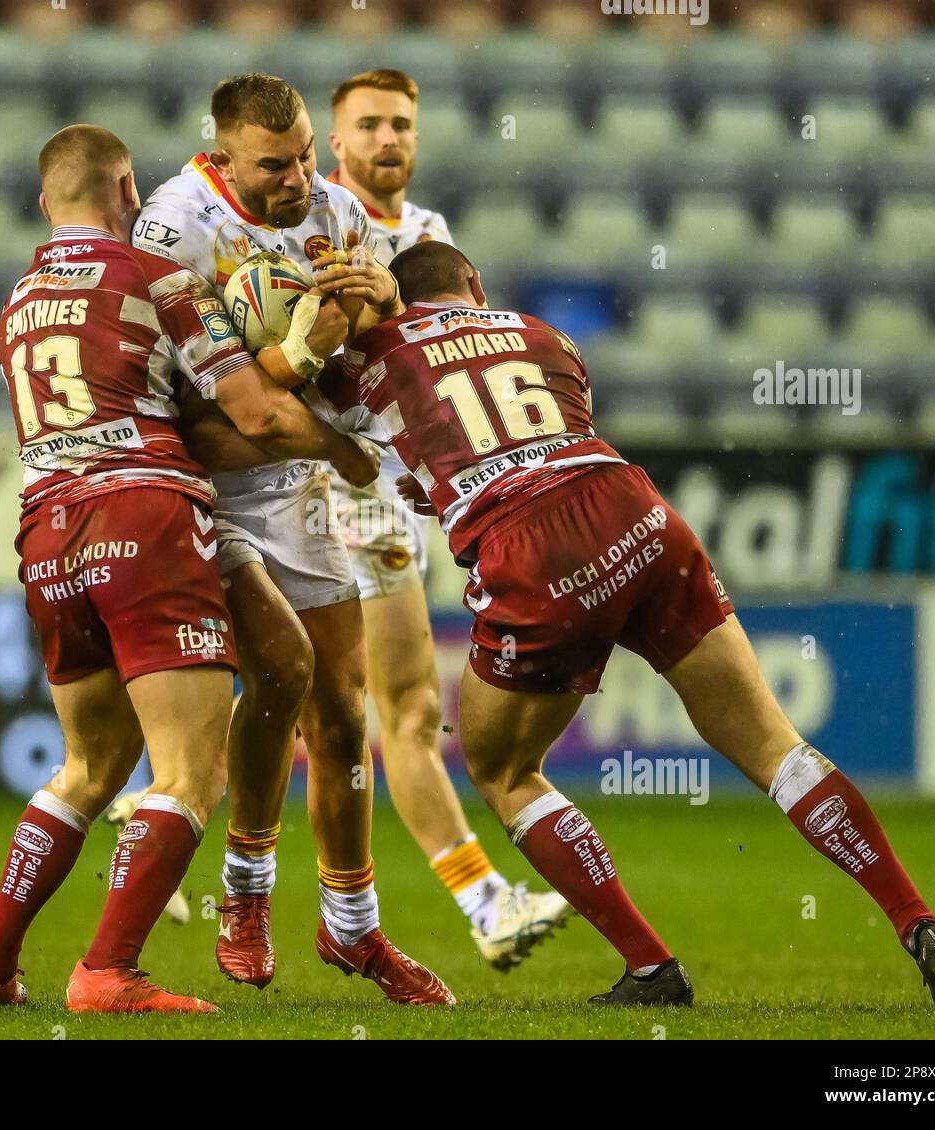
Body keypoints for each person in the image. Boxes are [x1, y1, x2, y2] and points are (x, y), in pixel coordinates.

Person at [317, 240, 935, 1010]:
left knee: (503, 770)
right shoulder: (546, 335)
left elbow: (283, 411)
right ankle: (917, 920)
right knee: (776, 745)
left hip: (532, 542)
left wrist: (333, 331)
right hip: (634, 507)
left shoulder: (369, 360)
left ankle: (652, 967)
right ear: (476, 285)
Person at [0, 125, 377, 1014]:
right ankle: (107, 971)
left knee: (88, 768)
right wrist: (347, 449)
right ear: (127, 187)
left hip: (47, 530)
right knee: (186, 773)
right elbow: (256, 414)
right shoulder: (155, 275)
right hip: (144, 515)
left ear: (43, 204)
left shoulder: (19, 301)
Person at [130, 73, 453, 1004]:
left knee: (345, 716)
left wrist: (383, 299)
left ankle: (355, 929)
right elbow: (204, 408)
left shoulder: (340, 211)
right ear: (220, 154)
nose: (299, 177)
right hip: (208, 477)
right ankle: (244, 896)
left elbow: (370, 361)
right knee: (279, 672)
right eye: (275, 165)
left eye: (307, 153)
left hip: (301, 475)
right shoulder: (174, 227)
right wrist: (349, 447)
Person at [325, 67, 570, 968]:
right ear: (336, 139)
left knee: (364, 710)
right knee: (400, 708)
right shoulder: (314, 227)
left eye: (402, 125)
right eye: (370, 126)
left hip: (411, 488)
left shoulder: (431, 238)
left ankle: (345, 915)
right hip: (345, 491)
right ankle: (479, 902)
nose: (389, 140)